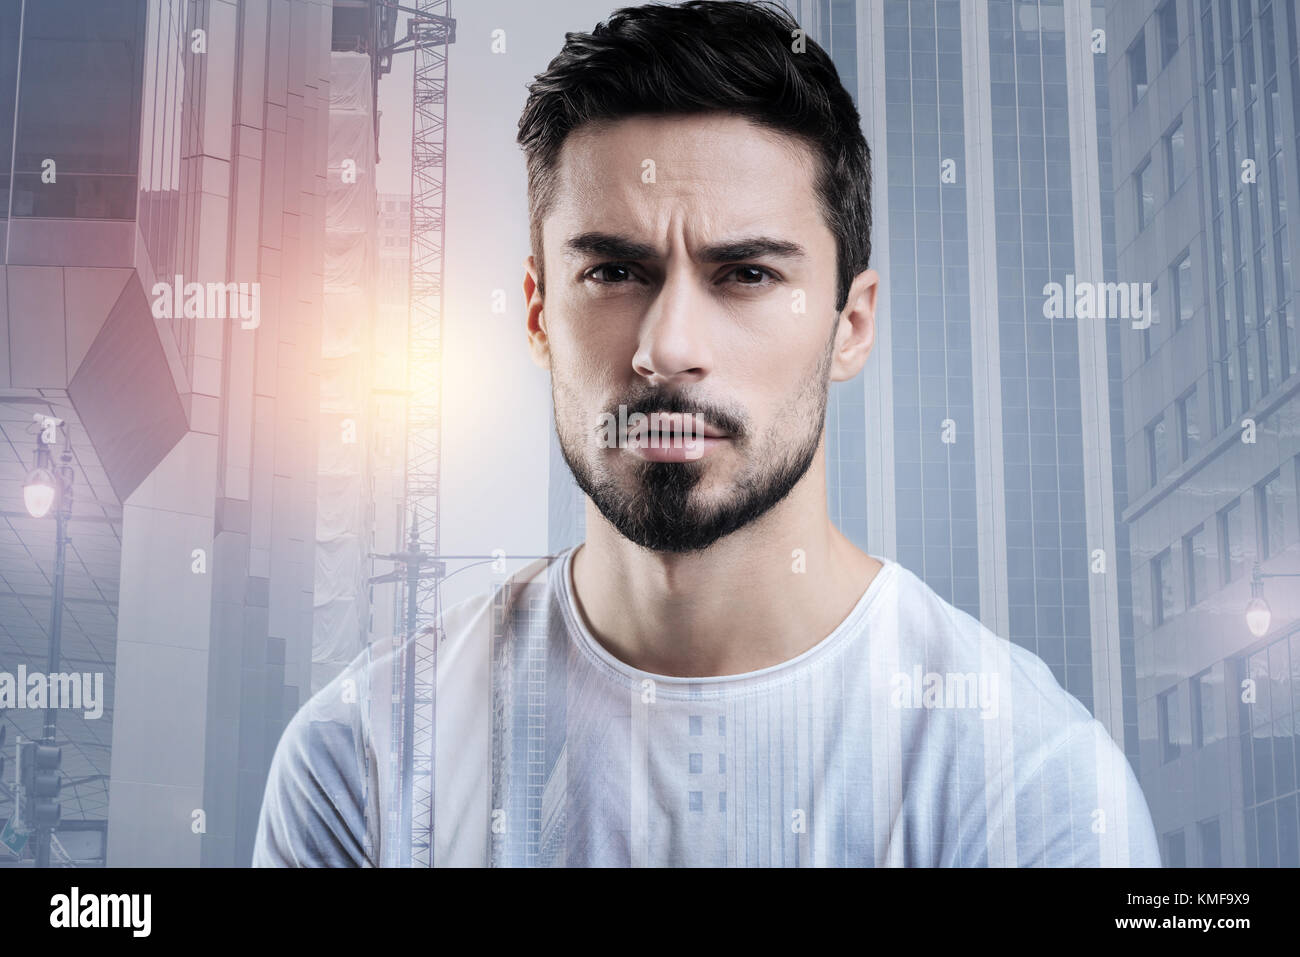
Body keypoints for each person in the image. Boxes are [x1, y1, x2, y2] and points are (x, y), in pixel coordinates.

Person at [253, 0, 1160, 867]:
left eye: (747, 274)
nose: (668, 347)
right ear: (536, 314)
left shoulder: (1030, 782)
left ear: (851, 324)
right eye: (613, 270)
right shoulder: (366, 757)